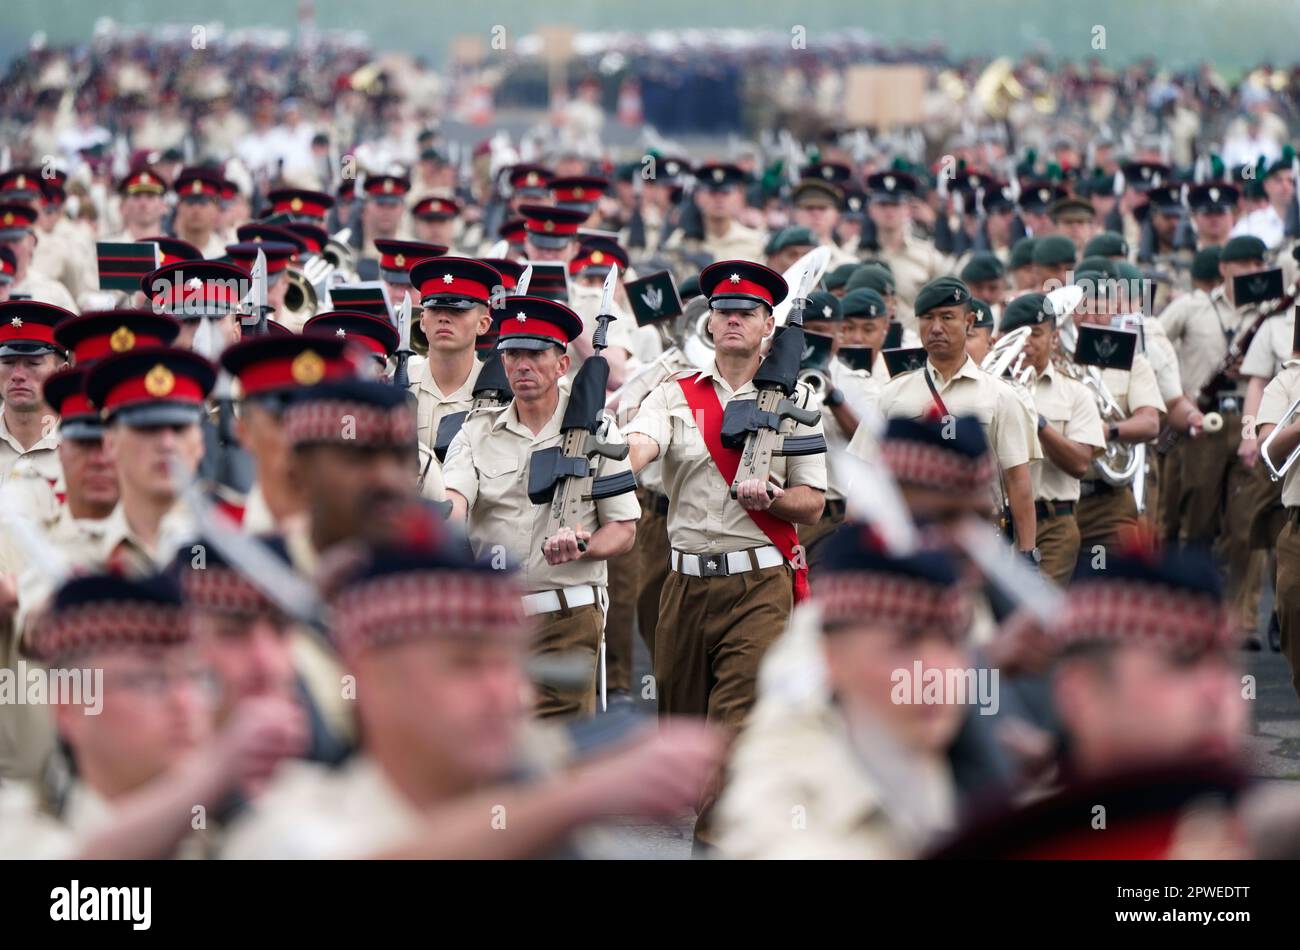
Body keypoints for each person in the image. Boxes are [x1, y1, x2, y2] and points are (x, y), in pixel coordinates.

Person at [220, 506, 724, 859]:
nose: (506, 693)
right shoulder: (292, 822)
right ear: (368, 675)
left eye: (509, 664)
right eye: (464, 665)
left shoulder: (535, 822)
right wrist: (579, 799)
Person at [623, 260, 826, 843]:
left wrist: (777, 496)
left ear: (769, 325)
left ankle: (715, 842)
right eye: (725, 312)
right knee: (683, 732)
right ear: (710, 322)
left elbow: (811, 504)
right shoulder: (673, 396)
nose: (733, 321)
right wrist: (617, 462)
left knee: (737, 724)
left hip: (759, 583)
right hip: (684, 584)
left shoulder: (797, 397)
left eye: (748, 313)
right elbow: (643, 443)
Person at [0, 571, 305, 859]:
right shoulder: (23, 834)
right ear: (68, 708)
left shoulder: (255, 821)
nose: (184, 703)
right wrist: (216, 772)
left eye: (197, 677)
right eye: (151, 681)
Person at [714, 529, 971, 859]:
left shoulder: (969, 770)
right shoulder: (783, 826)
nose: (936, 674)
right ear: (829, 661)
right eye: (902, 647)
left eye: (952, 642)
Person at [443, 295, 639, 717]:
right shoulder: (476, 432)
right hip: (494, 623)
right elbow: (454, 501)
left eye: (534, 354)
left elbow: (623, 529)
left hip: (566, 616)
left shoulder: (599, 431)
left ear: (562, 364)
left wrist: (584, 546)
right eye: (512, 354)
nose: (521, 365)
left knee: (561, 751)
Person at [868, 276, 1040, 558]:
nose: (936, 328)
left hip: (981, 545)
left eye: (948, 317)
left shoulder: (1000, 396)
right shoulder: (892, 394)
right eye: (927, 318)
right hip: (908, 545)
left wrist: (1028, 553)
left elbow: (1018, 480)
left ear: (969, 322)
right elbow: (866, 472)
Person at [999, 293, 1105, 584]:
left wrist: (1037, 420)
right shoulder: (988, 388)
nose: (1026, 343)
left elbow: (1080, 464)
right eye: (1016, 336)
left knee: (1035, 617)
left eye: (1035, 334)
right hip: (997, 523)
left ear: (1054, 338)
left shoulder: (1075, 393)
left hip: (1052, 524)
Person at [0, 301, 72, 486]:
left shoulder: (82, 445)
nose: (17, 375)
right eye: (7, 362)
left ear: (62, 372)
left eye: (33, 363)